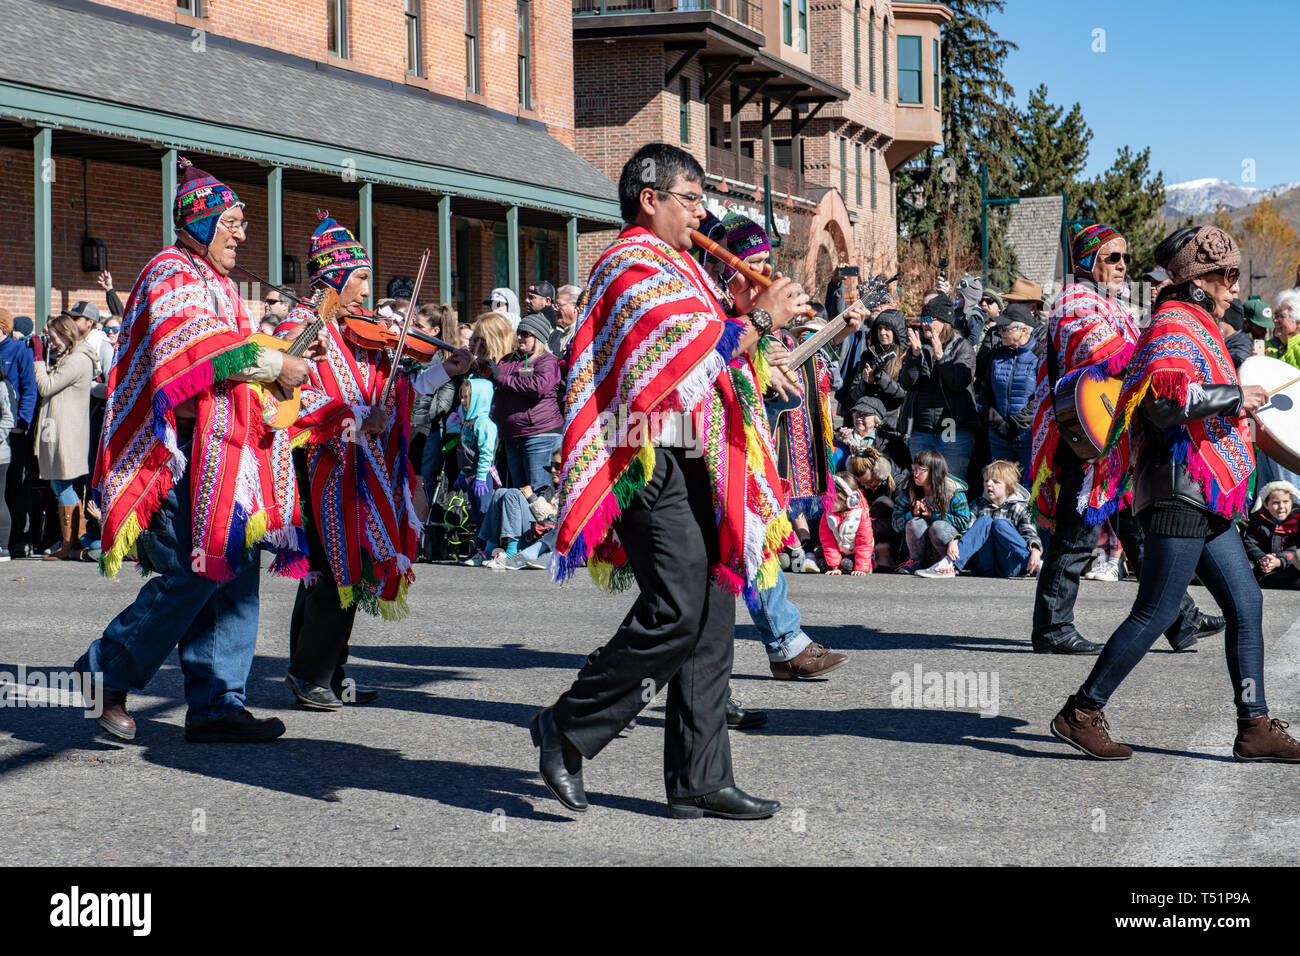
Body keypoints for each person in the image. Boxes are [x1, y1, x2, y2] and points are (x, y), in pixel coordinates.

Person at [533, 143, 805, 819]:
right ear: (649, 198)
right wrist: (758, 319)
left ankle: (699, 777)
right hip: (643, 456)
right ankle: (566, 726)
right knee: (677, 607)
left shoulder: (682, 267)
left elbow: (716, 350)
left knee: (714, 613)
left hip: (697, 456)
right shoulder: (628, 264)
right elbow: (671, 367)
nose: (701, 212)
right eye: (691, 198)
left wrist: (747, 320)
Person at [75, 157, 317, 744]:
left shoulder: (219, 285)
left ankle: (216, 705)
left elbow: (228, 358)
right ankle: (101, 673)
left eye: (242, 222)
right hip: (177, 456)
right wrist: (277, 362)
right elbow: (196, 357)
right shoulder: (171, 271)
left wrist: (279, 365)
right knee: (191, 570)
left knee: (231, 574)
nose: (242, 233)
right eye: (232, 221)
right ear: (202, 223)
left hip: (225, 454)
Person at [1053, 224, 1300, 763]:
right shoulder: (1172, 324)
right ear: (1197, 279)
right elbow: (1162, 406)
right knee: (1157, 608)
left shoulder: (1199, 324)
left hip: (1201, 493)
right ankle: (1082, 711)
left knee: (1247, 602)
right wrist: (1236, 396)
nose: (1234, 287)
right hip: (1176, 487)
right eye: (1227, 276)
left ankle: (1254, 727)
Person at [1030, 223, 1220, 655]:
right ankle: (1052, 628)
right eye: (1112, 258)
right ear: (1087, 261)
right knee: (1077, 533)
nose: (1122, 266)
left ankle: (1182, 618)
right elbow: (1111, 353)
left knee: (1140, 530)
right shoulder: (1073, 301)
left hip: (1113, 435)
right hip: (1086, 438)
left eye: (1125, 259)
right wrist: (1162, 352)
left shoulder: (1113, 304)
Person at [279, 212, 435, 711]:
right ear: (335, 277)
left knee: (337, 570)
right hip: (318, 467)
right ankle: (310, 675)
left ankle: (329, 672)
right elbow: (290, 400)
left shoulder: (353, 332)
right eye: (361, 279)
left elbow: (387, 392)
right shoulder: (300, 327)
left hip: (355, 467)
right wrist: (358, 417)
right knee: (332, 571)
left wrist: (434, 374)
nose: (367, 293)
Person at [32, 313, 97, 561]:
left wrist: (38, 359)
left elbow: (46, 386)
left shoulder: (76, 361)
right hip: (61, 428)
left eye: (54, 337)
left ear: (65, 334)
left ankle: (72, 543)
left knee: (62, 485)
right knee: (60, 485)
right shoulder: (72, 357)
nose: (52, 342)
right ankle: (73, 541)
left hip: (66, 432)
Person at [915, 459, 1042, 579]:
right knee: (985, 521)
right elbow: (968, 530)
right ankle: (949, 564)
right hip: (984, 563)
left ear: (1009, 487)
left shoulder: (1020, 507)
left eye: (996, 482)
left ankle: (1037, 566)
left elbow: (1029, 533)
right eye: (986, 481)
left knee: (1000, 524)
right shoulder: (978, 504)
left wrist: (1035, 549)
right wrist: (956, 540)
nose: (989, 484)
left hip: (1009, 563)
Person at [481, 312, 563, 491]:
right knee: (519, 496)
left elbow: (539, 387)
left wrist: (501, 378)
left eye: (526, 334)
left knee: (539, 492)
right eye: (518, 333)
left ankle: (541, 521)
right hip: (512, 436)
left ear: (538, 337)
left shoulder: (546, 360)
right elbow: (498, 389)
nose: (519, 337)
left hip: (540, 435)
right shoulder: (507, 360)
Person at [899, 295, 978, 480]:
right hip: (921, 431)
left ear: (945, 321)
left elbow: (959, 382)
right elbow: (907, 383)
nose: (925, 324)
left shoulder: (962, 347)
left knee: (951, 484)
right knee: (922, 485)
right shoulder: (918, 346)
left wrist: (941, 358)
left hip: (953, 430)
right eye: (923, 319)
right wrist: (915, 356)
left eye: (931, 319)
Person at [979, 303, 1039, 480]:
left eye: (1005, 328)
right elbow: (986, 393)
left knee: (1029, 490)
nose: (1000, 332)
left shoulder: (1041, 354)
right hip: (999, 437)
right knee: (1001, 489)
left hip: (1029, 437)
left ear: (1023, 330)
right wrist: (999, 424)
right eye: (999, 328)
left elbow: (1042, 396)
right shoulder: (996, 355)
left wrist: (1015, 425)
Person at [892, 448, 972, 573]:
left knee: (938, 526)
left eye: (920, 469)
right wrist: (911, 514)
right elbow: (895, 525)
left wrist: (933, 515)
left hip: (946, 548)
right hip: (922, 549)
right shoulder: (910, 491)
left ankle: (948, 564)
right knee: (915, 522)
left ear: (933, 472)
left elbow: (964, 523)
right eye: (915, 468)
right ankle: (916, 562)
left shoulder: (953, 492)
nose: (915, 473)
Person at [0, 307, 36, 558]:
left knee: (15, 486)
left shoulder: (19, 351)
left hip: (14, 428)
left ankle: (19, 541)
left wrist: (23, 422)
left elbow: (29, 388)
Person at [1244, 480, 1300, 590]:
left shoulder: (1298, 519)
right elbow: (1249, 542)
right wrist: (1262, 558)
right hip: (1266, 566)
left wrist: (1280, 561)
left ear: (1292, 502)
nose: (1281, 507)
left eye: (1286, 501)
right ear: (1266, 504)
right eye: (1275, 503)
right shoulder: (1258, 519)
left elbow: (1297, 547)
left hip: (1292, 567)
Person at [819, 473, 874, 575]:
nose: (828, 502)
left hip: (856, 552)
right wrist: (834, 566)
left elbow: (865, 543)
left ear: (848, 500)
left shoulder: (860, 515)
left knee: (846, 565)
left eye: (833, 499)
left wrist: (860, 568)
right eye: (827, 498)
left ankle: (869, 564)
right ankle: (838, 563)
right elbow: (828, 541)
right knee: (822, 563)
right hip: (840, 551)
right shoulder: (827, 516)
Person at [548, 284, 581, 360]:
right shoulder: (553, 335)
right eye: (554, 305)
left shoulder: (580, 334)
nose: (555, 309)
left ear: (575, 306)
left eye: (559, 305)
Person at [1269, 288, 1300, 366]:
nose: (1275, 320)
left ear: (1298, 322)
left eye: (1281, 316)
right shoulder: (1268, 347)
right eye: (1276, 315)